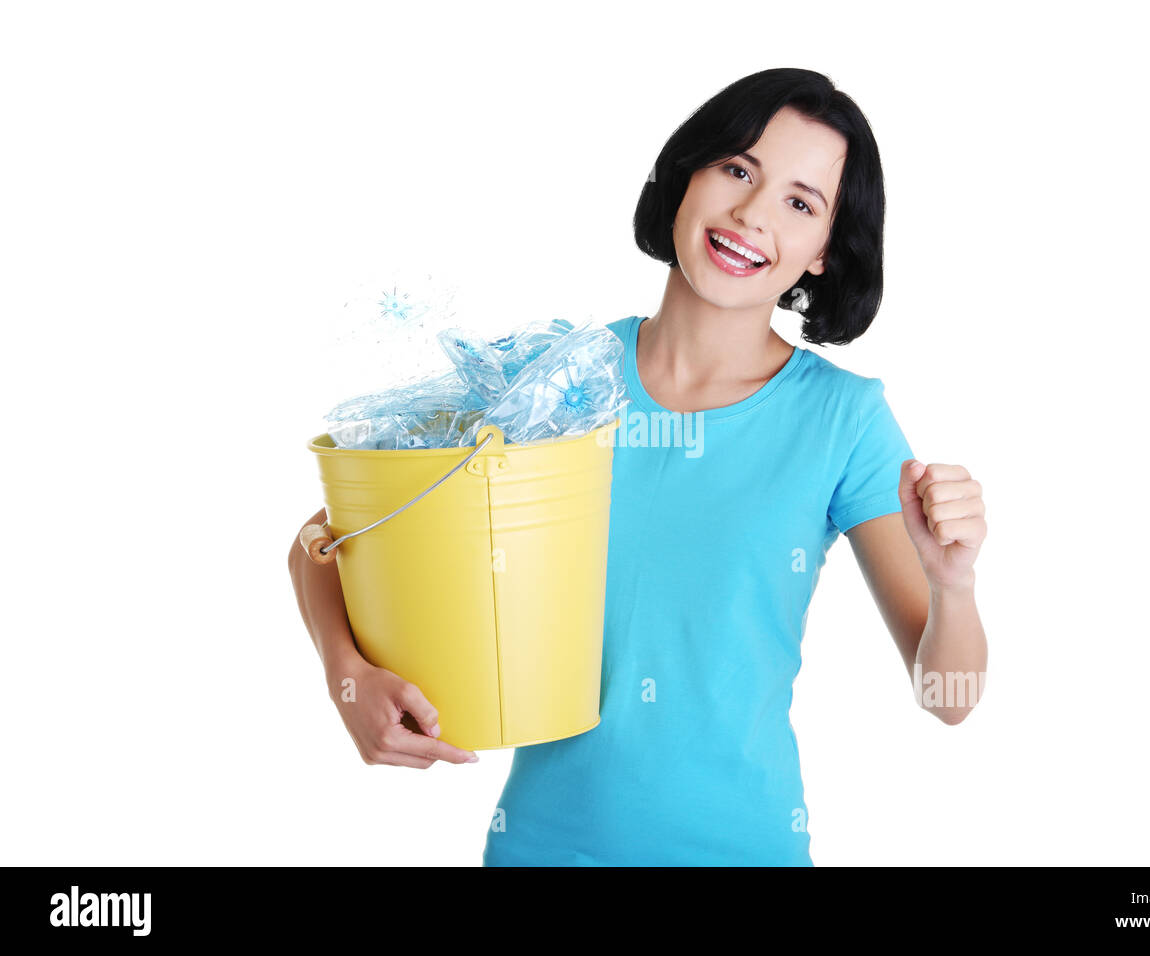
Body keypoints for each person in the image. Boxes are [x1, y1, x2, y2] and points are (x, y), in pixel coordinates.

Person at [288, 67, 988, 865]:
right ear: (686, 175)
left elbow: (949, 701)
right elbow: (325, 538)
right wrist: (349, 680)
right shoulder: (555, 384)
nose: (753, 215)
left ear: (825, 251)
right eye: (737, 170)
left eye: (800, 203)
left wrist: (953, 586)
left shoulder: (845, 421)